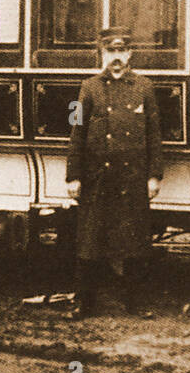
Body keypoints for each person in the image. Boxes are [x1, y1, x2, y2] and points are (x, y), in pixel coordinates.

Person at [64, 26, 163, 319]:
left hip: (132, 178)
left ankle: (136, 302)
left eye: (121, 51)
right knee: (90, 243)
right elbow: (77, 134)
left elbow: (154, 136)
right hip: (98, 178)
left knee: (135, 243)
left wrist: (154, 175)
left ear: (129, 53)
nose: (116, 57)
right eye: (111, 51)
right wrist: (74, 176)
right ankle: (83, 302)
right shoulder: (89, 87)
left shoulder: (144, 87)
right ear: (102, 54)